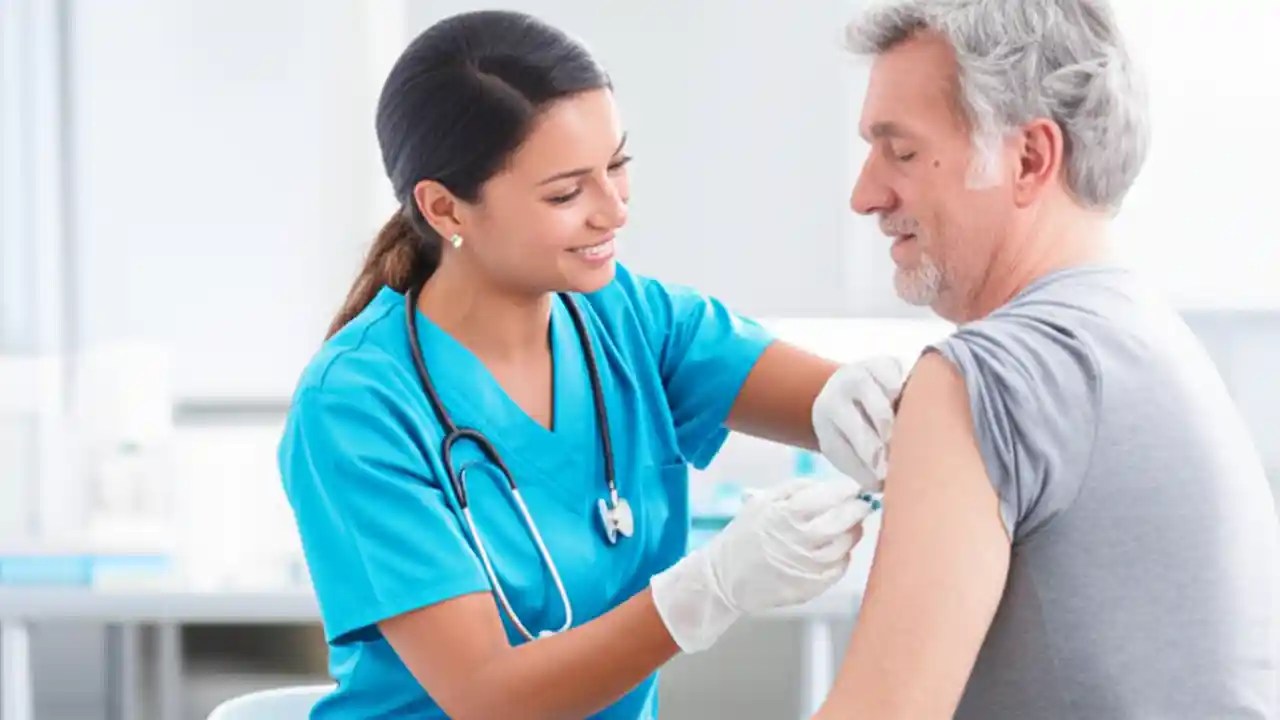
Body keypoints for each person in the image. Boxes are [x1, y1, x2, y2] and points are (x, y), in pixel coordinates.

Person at [277, 10, 903, 719]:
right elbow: (488, 697)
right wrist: (708, 590)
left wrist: (860, 399)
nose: (613, 211)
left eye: (617, 166)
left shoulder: (630, 320)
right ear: (446, 209)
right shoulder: (357, 404)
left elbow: (872, 414)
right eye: (566, 193)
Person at [812, 1, 1280, 718]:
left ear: (1029, 158)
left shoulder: (992, 374)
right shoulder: (1147, 337)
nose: (864, 195)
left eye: (900, 152)